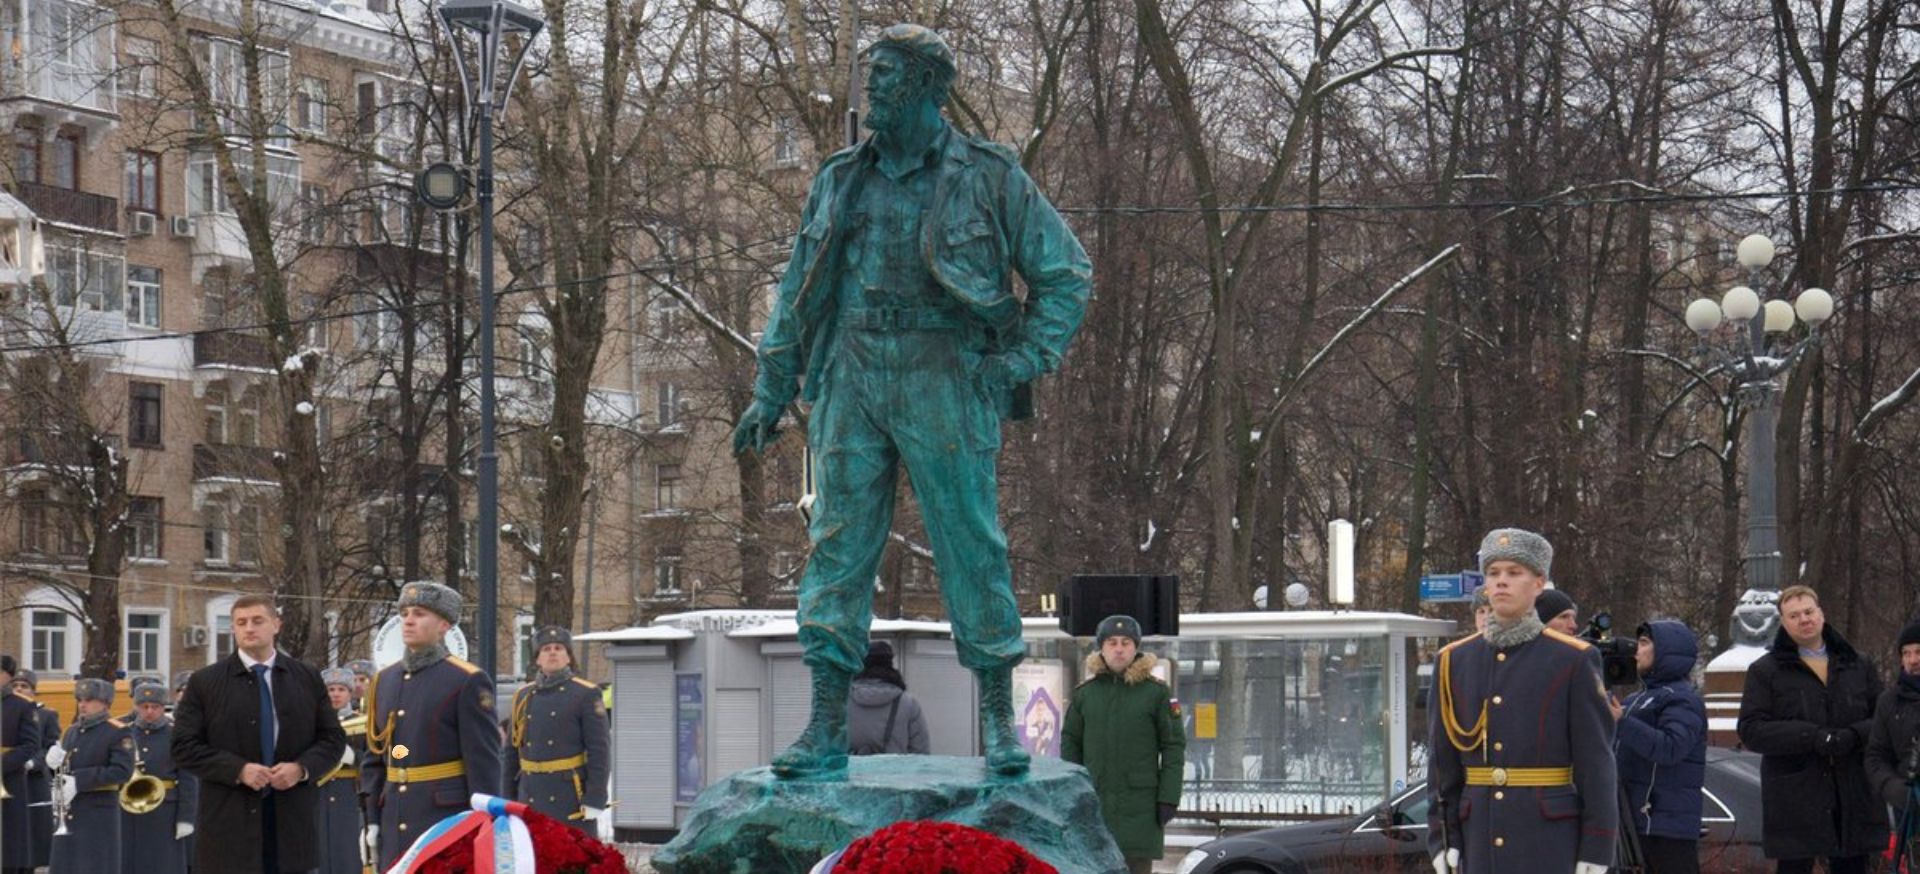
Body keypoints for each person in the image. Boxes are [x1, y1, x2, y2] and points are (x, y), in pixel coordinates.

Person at [730, 22, 1091, 779]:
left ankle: (998, 724)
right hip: (852, 368)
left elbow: (1066, 275)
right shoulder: (840, 178)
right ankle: (825, 725)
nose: (873, 89)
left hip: (945, 369)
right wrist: (771, 387)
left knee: (970, 542)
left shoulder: (987, 175)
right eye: (872, 76)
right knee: (837, 545)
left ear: (928, 85)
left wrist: (1021, 359)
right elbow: (797, 290)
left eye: (888, 76)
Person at [1427, 528, 1617, 874]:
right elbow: (1443, 765)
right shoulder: (1454, 660)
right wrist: (1443, 837)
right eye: (1493, 573)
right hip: (1478, 840)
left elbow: (1596, 763)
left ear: (1539, 583)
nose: (1501, 581)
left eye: (1514, 572)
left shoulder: (1572, 659)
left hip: (1548, 841)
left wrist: (1597, 846)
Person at [173, 593, 346, 874]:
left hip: (292, 824)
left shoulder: (306, 677)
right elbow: (183, 746)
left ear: (276, 624)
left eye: (257, 621)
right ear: (233, 628)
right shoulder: (205, 682)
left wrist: (301, 769)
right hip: (228, 827)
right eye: (241, 623)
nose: (249, 628)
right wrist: (237, 770)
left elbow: (332, 738)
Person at [1737, 585, 1884, 874]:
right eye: (1794, 615)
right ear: (1783, 622)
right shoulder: (1766, 671)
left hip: (1853, 794)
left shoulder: (1858, 664)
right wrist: (1811, 737)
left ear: (1821, 614)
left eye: (1808, 611)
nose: (1804, 619)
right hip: (1796, 798)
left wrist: (1853, 735)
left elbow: (1882, 720)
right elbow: (1752, 729)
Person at [361, 582, 500, 869]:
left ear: (444, 625)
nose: (408, 620)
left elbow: (482, 761)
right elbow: (380, 755)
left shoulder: (466, 679)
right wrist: (371, 818)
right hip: (393, 818)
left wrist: (485, 822)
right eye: (405, 614)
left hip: (445, 819)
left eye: (420, 613)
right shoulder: (384, 681)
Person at [1062, 615, 1185, 874]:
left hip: (1140, 808)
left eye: (1126, 642)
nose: (1119, 649)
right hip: (1094, 805)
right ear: (1102, 648)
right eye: (1112, 642)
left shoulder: (1156, 693)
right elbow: (1070, 744)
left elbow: (1173, 747)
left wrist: (1168, 798)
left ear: (1136, 647)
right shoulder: (1085, 694)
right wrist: (1072, 792)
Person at [1612, 620, 1708, 874]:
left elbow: (1671, 748)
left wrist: (1621, 722)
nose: (1636, 650)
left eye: (1644, 643)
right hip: (1633, 822)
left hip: (1667, 827)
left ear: (1668, 651)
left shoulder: (1682, 698)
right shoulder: (1635, 699)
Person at [505, 626, 611, 837]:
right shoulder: (523, 695)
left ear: (568, 657)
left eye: (558, 648)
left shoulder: (586, 693)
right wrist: (506, 798)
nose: (552, 653)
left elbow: (599, 750)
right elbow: (511, 753)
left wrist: (595, 798)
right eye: (546, 649)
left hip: (568, 797)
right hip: (529, 795)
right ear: (538, 659)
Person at [47, 677, 133, 874]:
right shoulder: (72, 731)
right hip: (71, 811)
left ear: (105, 703)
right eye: (80, 700)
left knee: (94, 866)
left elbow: (122, 771)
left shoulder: (118, 732)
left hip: (98, 814)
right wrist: (53, 765)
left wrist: (80, 780)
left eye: (89, 700)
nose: (82, 705)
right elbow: (66, 770)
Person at [123, 681, 197, 874]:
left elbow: (188, 779)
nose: (149, 711)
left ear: (163, 707)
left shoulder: (177, 734)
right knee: (129, 862)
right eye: (144, 706)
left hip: (165, 811)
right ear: (136, 706)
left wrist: (186, 818)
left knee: (164, 863)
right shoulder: (125, 733)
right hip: (129, 812)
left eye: (155, 707)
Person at [1865, 620, 1920, 853]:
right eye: (1906, 653)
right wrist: (1893, 787)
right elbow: (1876, 756)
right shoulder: (1889, 701)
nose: (1913, 660)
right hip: (1909, 808)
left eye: (1919, 652)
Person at [315, 667, 364, 874]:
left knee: (348, 854)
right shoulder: (312, 724)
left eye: (341, 689)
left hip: (350, 795)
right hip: (318, 795)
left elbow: (394, 754)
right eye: (331, 689)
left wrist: (355, 757)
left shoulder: (364, 722)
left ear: (350, 694)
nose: (335, 694)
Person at [10, 669, 59, 872]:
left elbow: (50, 747)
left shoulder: (46, 715)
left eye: (24, 686)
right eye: (15, 685)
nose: (19, 689)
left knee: (30, 840)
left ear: (33, 691)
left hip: (33, 782)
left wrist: (31, 763)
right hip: (8, 780)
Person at [846, 640, 930, 755]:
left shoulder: (843, 701)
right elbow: (920, 751)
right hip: (896, 767)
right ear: (890, 664)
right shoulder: (908, 703)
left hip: (851, 767)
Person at [1, 654, 40, 874]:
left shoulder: (22, 705)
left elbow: (30, 745)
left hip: (9, 782)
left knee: (9, 843)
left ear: (7, 676)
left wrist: (3, 763)